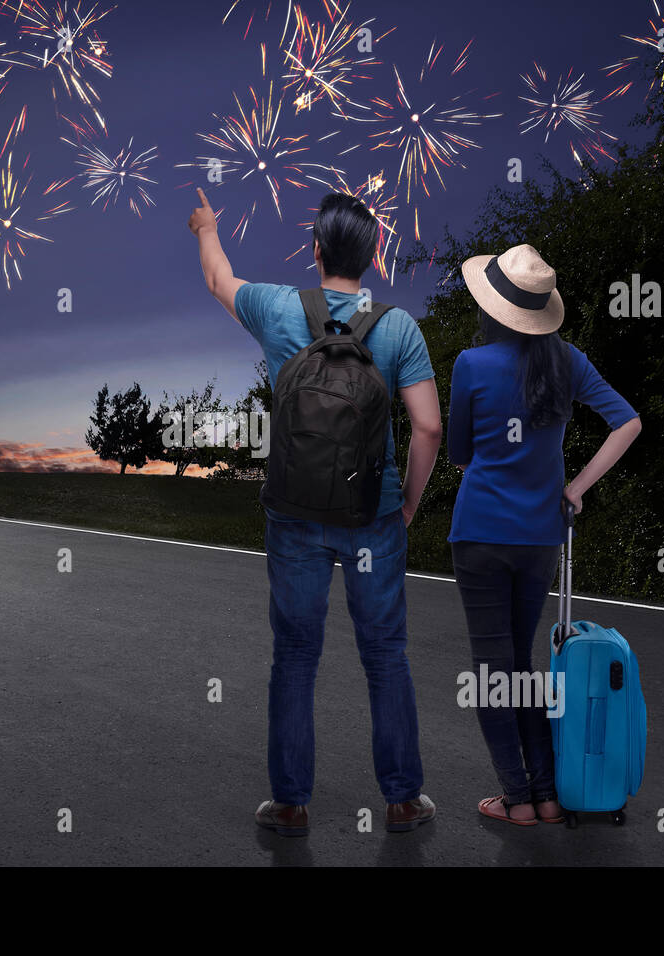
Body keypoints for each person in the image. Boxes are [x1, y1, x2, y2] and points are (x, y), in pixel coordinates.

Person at [188, 188, 443, 835]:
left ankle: (292, 802)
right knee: (385, 653)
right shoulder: (397, 327)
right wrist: (407, 502)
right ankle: (402, 799)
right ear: (374, 254)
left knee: (295, 654)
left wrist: (208, 227)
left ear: (316, 250)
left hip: (295, 515)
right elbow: (429, 428)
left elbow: (218, 279)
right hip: (374, 518)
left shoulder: (277, 307)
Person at [447, 243, 642, 826]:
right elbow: (628, 421)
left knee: (491, 671)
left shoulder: (471, 365)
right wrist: (574, 486)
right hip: (541, 537)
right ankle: (549, 795)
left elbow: (459, 453)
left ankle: (516, 800)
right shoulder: (569, 362)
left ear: (492, 308)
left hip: (481, 532)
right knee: (524, 666)